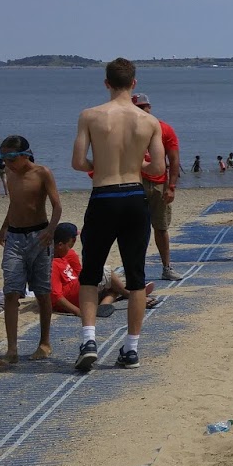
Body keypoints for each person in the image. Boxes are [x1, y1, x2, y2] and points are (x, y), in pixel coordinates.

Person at [71, 58, 165, 373]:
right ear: (134, 84)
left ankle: (89, 341)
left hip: (104, 196)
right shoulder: (149, 121)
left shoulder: (90, 115)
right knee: (136, 277)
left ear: (106, 83)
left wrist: (101, 165)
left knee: (90, 272)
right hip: (134, 197)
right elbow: (158, 168)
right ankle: (131, 349)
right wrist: (136, 165)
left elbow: (78, 162)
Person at [0, 135, 60, 371]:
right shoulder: (10, 174)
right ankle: (12, 349)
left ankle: (44, 342)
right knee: (11, 291)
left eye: (11, 158)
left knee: (42, 292)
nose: (7, 163)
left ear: (25, 155)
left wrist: (51, 230)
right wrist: (3, 227)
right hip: (14, 237)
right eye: (3, 158)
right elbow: (14, 203)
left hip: (39, 236)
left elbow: (57, 206)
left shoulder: (42, 173)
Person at [130, 93, 183, 281]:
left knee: (161, 227)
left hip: (160, 184)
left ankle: (166, 267)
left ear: (149, 108)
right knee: (135, 228)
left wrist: (172, 187)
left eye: (143, 107)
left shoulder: (164, 129)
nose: (141, 111)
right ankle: (135, 269)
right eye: (137, 108)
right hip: (135, 182)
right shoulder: (127, 130)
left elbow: (174, 159)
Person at [49, 222, 152, 318]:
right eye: (71, 243)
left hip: (81, 292)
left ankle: (104, 304)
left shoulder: (69, 254)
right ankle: (132, 296)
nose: (72, 246)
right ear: (60, 245)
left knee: (113, 287)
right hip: (73, 298)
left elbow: (81, 274)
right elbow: (56, 296)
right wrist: (77, 311)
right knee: (105, 272)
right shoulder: (52, 265)